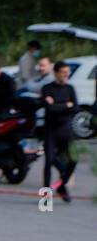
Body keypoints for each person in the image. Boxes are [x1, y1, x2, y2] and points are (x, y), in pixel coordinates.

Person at [40, 61, 77, 202]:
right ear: (56, 73)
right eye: (63, 72)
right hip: (51, 131)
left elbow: (76, 108)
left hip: (66, 130)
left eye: (67, 72)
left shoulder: (70, 89)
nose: (66, 75)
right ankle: (45, 197)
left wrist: (56, 105)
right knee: (49, 162)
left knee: (73, 160)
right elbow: (49, 109)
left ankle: (61, 185)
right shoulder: (47, 88)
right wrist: (66, 105)